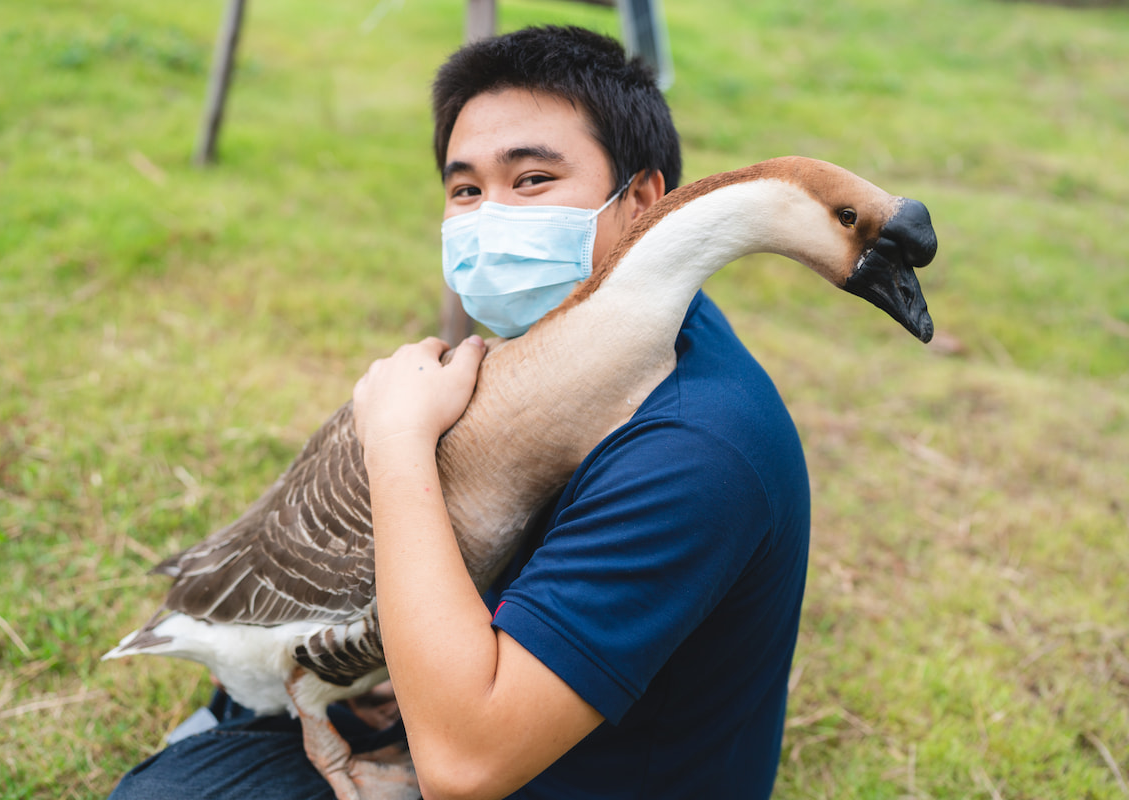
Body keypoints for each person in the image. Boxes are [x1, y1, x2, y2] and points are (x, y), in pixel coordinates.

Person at [110, 25, 809, 800]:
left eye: (533, 180)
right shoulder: (606, 343)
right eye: (467, 190)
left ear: (642, 201)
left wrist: (398, 442)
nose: (492, 219)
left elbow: (464, 769)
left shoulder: (692, 452)